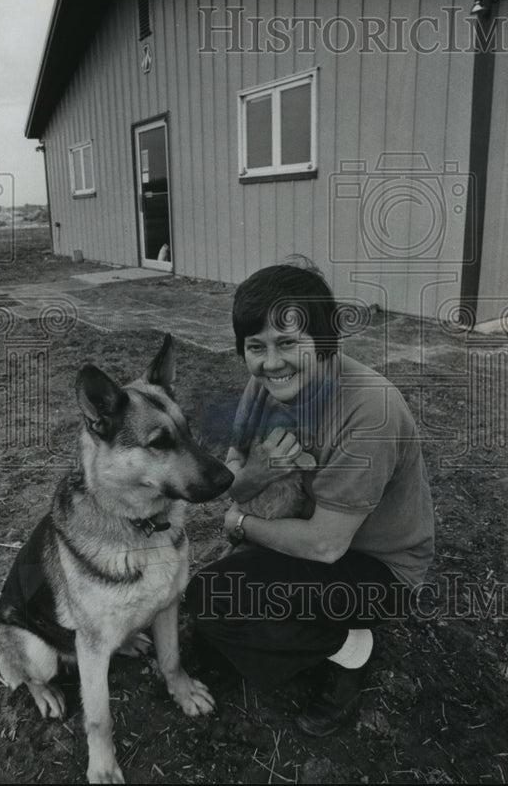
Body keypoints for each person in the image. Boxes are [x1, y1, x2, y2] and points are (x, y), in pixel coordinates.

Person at [185, 262, 434, 736]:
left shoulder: (369, 411)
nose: (270, 362)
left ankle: (350, 649)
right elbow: (232, 480)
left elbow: (326, 546)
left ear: (323, 340)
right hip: (301, 528)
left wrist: (239, 526)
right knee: (209, 606)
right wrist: (256, 473)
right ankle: (304, 630)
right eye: (255, 347)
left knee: (216, 601)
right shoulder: (264, 385)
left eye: (287, 343)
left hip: (376, 565)